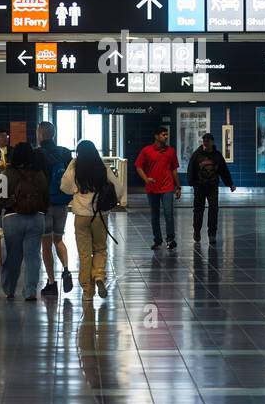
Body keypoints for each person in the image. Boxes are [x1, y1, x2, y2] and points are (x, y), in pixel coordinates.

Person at [62, 139, 125, 298]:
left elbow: (64, 187)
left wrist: (72, 165)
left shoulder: (76, 167)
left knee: (84, 253)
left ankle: (87, 291)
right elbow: (119, 189)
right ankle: (98, 276)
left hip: (81, 216)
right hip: (100, 216)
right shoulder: (102, 167)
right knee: (100, 248)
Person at [0, 142, 49, 300]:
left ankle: (9, 289)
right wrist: (41, 211)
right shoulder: (39, 174)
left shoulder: (5, 174)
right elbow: (45, 196)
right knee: (33, 256)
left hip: (12, 219)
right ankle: (30, 291)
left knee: (13, 256)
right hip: (36, 218)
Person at [34, 121, 74, 295]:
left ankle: (51, 283)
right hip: (62, 204)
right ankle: (66, 268)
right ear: (54, 134)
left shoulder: (36, 154)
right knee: (59, 240)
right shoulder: (65, 152)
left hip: (44, 205)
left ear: (40, 134)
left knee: (46, 244)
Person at [134, 126, 181, 250]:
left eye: (166, 134)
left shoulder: (170, 151)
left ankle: (170, 239)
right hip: (152, 188)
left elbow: (174, 170)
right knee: (155, 215)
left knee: (168, 214)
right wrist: (146, 179)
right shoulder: (147, 150)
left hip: (167, 187)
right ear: (156, 136)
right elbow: (138, 167)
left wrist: (178, 187)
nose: (166, 137)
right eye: (163, 134)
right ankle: (157, 240)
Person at [188, 132, 235, 243]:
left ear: (212, 142)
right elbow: (191, 169)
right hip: (199, 187)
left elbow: (224, 171)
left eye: (208, 142)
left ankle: (212, 234)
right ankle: (197, 230)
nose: (206, 144)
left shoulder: (217, 156)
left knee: (213, 210)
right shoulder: (197, 155)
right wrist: (192, 182)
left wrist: (230, 184)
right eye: (204, 142)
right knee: (198, 210)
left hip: (212, 187)